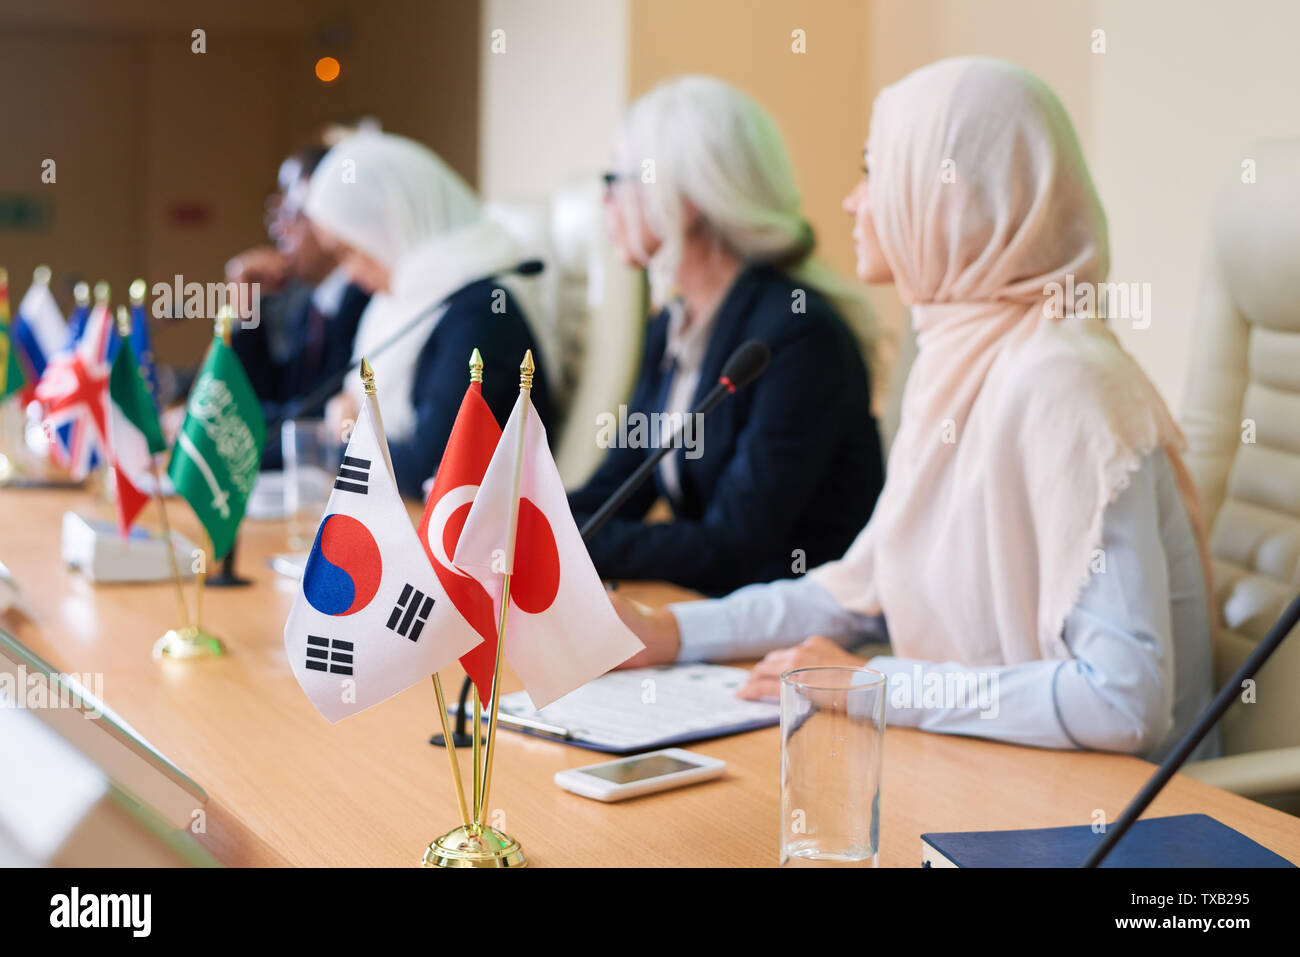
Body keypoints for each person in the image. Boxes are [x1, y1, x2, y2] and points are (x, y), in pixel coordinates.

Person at [611, 58, 1218, 763]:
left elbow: (1122, 702)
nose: (851, 201)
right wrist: (673, 633)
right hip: (1001, 772)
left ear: (951, 194)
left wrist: (876, 684)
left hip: (1113, 818)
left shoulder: (1067, 382)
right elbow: (857, 592)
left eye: (874, 170)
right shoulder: (959, 360)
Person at [568, 76, 885, 595]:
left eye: (615, 178)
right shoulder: (671, 326)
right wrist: (519, 521)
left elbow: (731, 548)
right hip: (722, 623)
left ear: (685, 199)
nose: (604, 199)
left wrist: (562, 542)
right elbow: (618, 489)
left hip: (803, 645)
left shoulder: (801, 338)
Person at [303, 132, 555, 498]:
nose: (349, 275)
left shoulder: (481, 311)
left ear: (389, 225)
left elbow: (430, 469)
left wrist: (345, 437)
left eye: (348, 251)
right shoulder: (401, 300)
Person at [226, 146, 370, 457]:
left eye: (292, 212)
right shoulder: (309, 302)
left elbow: (319, 423)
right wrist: (245, 305)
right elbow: (271, 396)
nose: (278, 229)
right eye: (276, 212)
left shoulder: (366, 300)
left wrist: (224, 433)